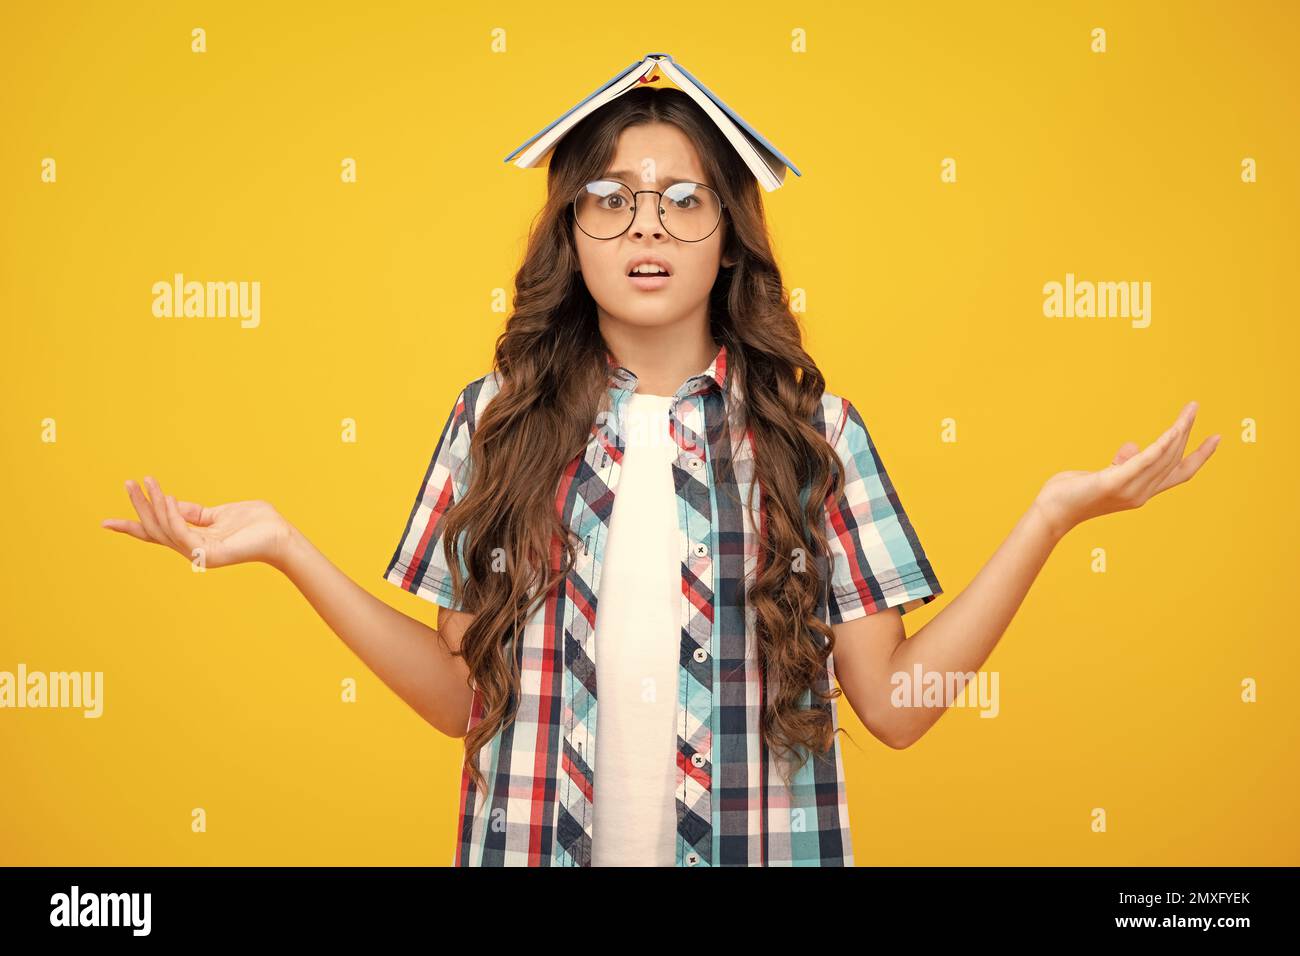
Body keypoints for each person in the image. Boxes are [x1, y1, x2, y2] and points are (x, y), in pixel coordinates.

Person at [101, 86, 1220, 867]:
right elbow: (462, 698)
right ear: (571, 232)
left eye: (682, 199)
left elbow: (893, 706)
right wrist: (291, 549)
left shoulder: (807, 430)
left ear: (728, 236)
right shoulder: (493, 424)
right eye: (610, 197)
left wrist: (1050, 516)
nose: (646, 225)